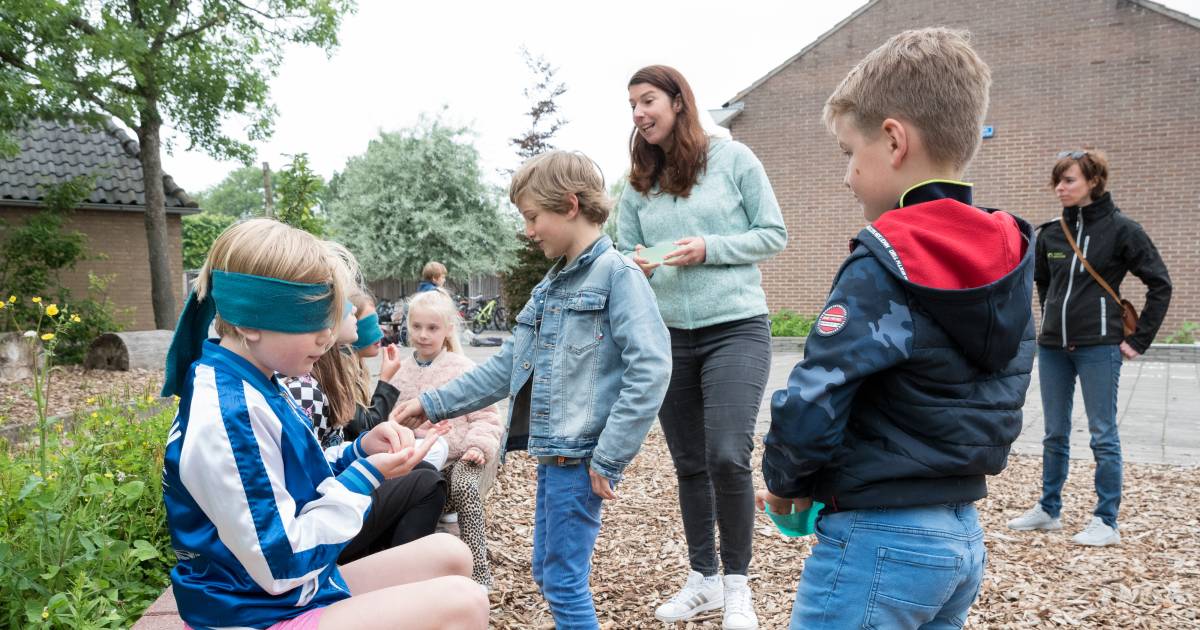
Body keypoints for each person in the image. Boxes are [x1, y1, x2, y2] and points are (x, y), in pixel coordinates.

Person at [758, 28, 1034, 629]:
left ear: (892, 140)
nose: (847, 175)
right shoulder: (1008, 259)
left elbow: (818, 391)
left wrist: (785, 481)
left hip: (878, 538)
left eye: (848, 153)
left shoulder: (884, 259)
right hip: (959, 535)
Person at [159, 218, 487, 630]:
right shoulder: (230, 413)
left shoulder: (258, 381)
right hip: (252, 615)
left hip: (278, 594)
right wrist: (364, 478)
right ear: (248, 323)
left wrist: (360, 450)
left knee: (449, 553)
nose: (327, 337)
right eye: (312, 320)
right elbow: (282, 563)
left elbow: (293, 471)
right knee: (465, 602)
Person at [392, 150, 671, 629]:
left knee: (563, 580)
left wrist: (611, 456)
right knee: (548, 571)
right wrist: (431, 402)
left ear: (568, 205)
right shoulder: (551, 288)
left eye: (532, 216)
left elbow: (651, 369)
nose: (528, 230)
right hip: (554, 453)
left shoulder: (619, 277)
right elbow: (505, 368)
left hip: (581, 457)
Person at [617, 64, 787, 630]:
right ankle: (704, 580)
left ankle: (738, 586)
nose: (640, 114)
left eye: (648, 102)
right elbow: (621, 252)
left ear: (678, 102)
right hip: (668, 337)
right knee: (690, 463)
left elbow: (773, 234)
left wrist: (708, 247)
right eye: (633, 106)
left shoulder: (733, 160)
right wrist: (634, 263)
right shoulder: (638, 180)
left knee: (726, 456)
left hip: (735, 325)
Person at [1007, 149, 1172, 546]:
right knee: (1053, 433)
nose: (1060, 188)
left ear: (1093, 182)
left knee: (1102, 434)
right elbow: (1043, 282)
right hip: (1052, 348)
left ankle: (1106, 520)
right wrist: (1050, 319)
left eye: (1069, 180)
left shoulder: (1121, 230)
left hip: (1099, 347)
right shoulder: (1050, 233)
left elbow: (1160, 284)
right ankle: (1049, 509)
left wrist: (1137, 340)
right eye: (1058, 181)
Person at [387, 289, 503, 587]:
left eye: (432, 328)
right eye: (417, 327)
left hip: (461, 457)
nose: (423, 335)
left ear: (448, 329)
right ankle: (407, 568)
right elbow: (388, 417)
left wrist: (478, 446)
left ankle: (478, 571)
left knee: (464, 484)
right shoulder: (401, 370)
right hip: (418, 458)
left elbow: (488, 416)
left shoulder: (461, 368)